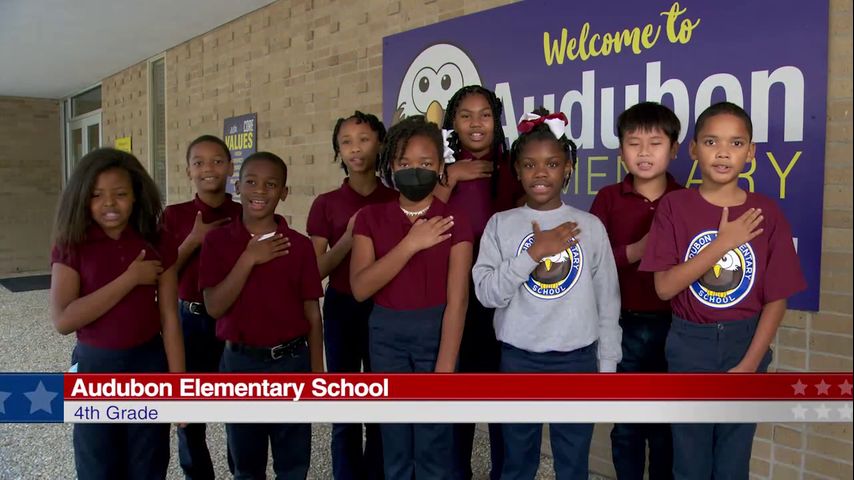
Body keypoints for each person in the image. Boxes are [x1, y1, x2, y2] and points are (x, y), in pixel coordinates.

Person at [640, 101, 806, 479]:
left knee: (733, 460)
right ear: (694, 149)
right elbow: (664, 288)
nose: (723, 152)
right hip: (689, 343)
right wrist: (723, 244)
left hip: (745, 341)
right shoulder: (675, 207)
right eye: (711, 141)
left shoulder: (766, 213)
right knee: (690, 459)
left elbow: (777, 298)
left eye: (736, 143)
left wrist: (750, 364)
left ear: (751, 152)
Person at [472, 109, 621, 480]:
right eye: (530, 164)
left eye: (552, 163)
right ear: (517, 170)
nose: (540, 173)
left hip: (577, 361)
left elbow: (608, 301)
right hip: (518, 359)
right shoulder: (501, 225)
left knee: (572, 462)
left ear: (568, 167)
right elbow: (487, 293)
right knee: (517, 462)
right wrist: (533, 254)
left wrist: (607, 366)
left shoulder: (590, 227)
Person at [50, 147, 185, 479]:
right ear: (83, 198)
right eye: (97, 195)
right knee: (98, 465)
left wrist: (178, 385)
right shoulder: (73, 243)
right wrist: (130, 279)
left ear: (136, 195)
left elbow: (170, 317)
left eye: (120, 194)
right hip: (95, 368)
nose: (109, 203)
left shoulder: (157, 240)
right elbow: (64, 320)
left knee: (148, 462)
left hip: (148, 364)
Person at [350, 115, 473, 479]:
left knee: (434, 440)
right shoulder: (370, 218)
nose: (415, 170)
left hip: (436, 335)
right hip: (386, 336)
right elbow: (360, 287)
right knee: (396, 438)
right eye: (404, 163)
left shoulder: (455, 219)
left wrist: (445, 368)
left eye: (426, 163)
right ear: (390, 166)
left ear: (441, 168)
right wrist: (411, 243)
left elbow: (458, 300)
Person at [199, 151, 324, 479]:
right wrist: (248, 258)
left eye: (271, 184)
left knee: (293, 464)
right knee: (247, 465)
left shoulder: (299, 246)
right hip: (240, 365)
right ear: (237, 186)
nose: (260, 191)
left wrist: (317, 373)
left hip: (292, 364)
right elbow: (214, 307)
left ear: (284, 192)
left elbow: (312, 312)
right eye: (251, 182)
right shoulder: (217, 242)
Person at [589, 102, 682, 480]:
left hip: (673, 327)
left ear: (674, 149)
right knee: (627, 425)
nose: (644, 152)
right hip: (621, 325)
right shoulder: (608, 198)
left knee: (664, 427)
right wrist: (637, 250)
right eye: (634, 143)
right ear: (621, 150)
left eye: (655, 143)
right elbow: (590, 263)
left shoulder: (685, 200)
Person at [436, 85, 523, 480]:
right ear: (453, 122)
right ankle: (458, 471)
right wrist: (452, 176)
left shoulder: (513, 165)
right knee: (461, 391)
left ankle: (504, 471)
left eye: (485, 114)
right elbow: (423, 214)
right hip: (456, 293)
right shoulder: (442, 166)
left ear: (496, 120)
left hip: (506, 292)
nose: (476, 123)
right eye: (466, 115)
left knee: (502, 393)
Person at [307, 111, 395, 480]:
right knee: (344, 407)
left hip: (385, 309)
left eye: (364, 139)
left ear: (380, 144)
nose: (355, 149)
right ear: (338, 151)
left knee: (380, 407)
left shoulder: (395, 198)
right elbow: (314, 272)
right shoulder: (326, 203)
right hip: (342, 308)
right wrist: (349, 237)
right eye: (346, 142)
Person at [161, 134, 241, 480]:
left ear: (231, 167)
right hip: (190, 323)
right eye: (199, 162)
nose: (208, 168)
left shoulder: (243, 213)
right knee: (190, 413)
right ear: (188, 170)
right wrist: (193, 240)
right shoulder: (174, 216)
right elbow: (162, 274)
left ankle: (242, 472)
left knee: (239, 409)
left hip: (234, 322)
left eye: (217, 161)